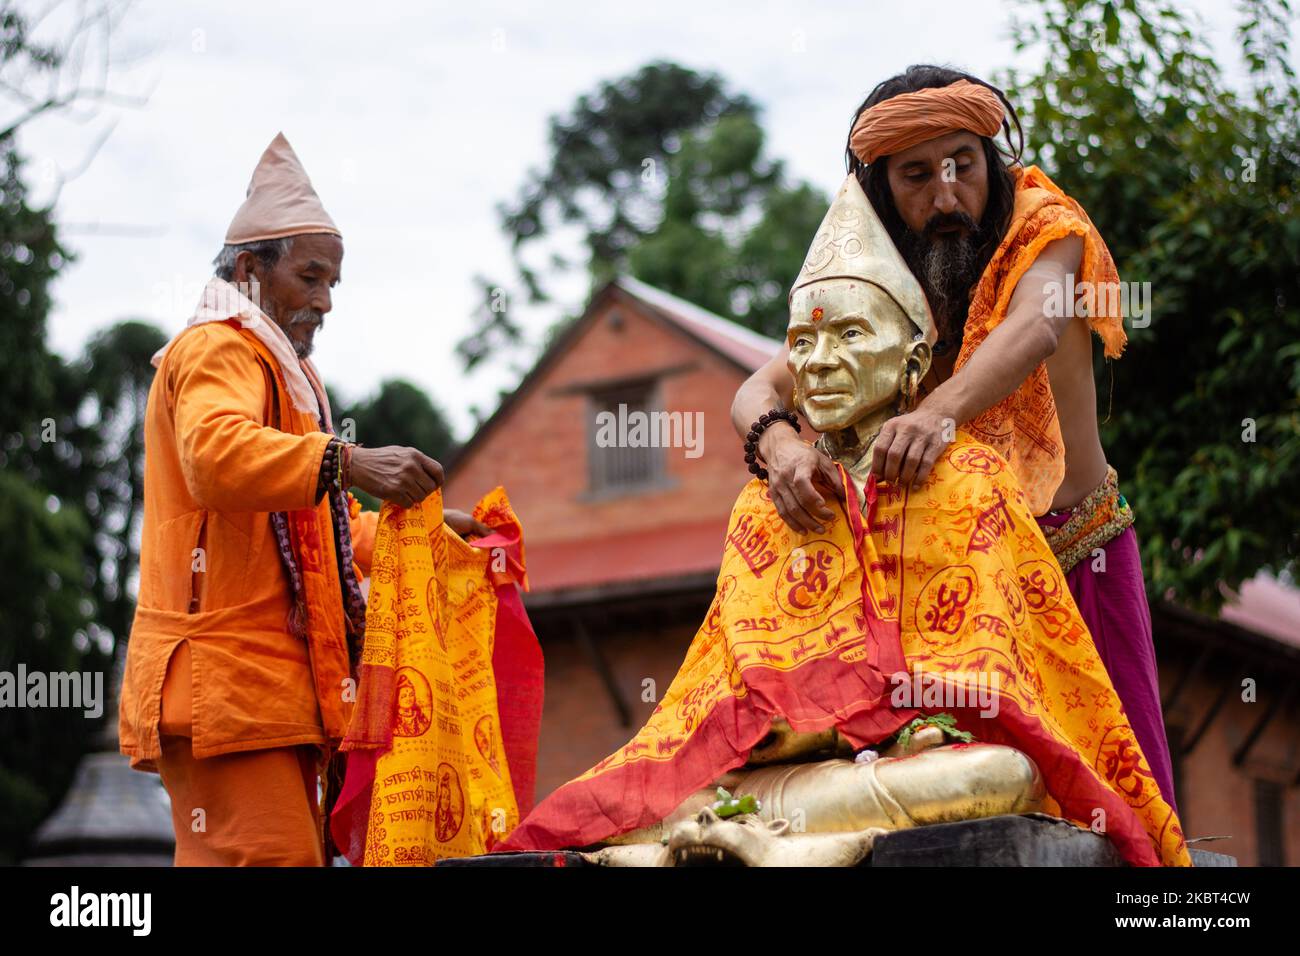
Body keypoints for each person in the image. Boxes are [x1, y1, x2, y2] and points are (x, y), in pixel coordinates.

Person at [501, 176, 1187, 867]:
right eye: (805, 343)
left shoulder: (965, 477)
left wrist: (933, 418)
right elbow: (725, 689)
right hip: (802, 772)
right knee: (631, 798)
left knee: (997, 777)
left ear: (914, 358)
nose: (821, 364)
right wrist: (778, 448)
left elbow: (983, 689)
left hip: (960, 696)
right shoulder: (772, 502)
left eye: (851, 336)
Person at [731, 66, 1176, 813]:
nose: (944, 196)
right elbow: (759, 389)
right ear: (877, 188)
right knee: (963, 807)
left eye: (962, 166)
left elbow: (1033, 327)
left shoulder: (1047, 227)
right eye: (915, 176)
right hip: (948, 585)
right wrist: (780, 449)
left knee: (1121, 810)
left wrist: (938, 411)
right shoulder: (875, 273)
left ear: (991, 160)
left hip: (1073, 555)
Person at [118, 133, 486, 865]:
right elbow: (216, 458)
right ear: (250, 272)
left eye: (331, 286)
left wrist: (432, 537)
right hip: (225, 691)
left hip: (267, 701)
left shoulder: (286, 375)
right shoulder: (219, 347)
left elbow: (330, 533)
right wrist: (350, 460)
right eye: (310, 278)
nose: (323, 302)